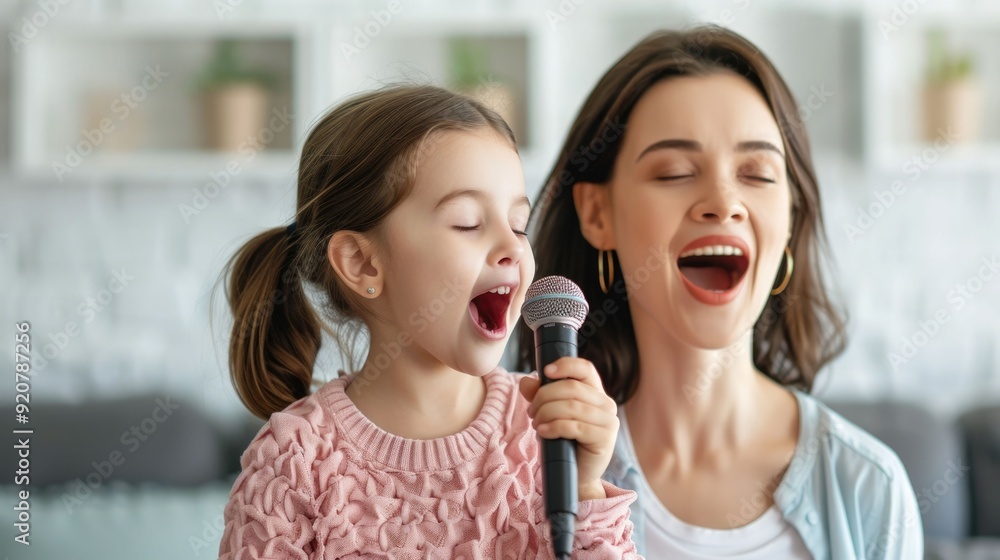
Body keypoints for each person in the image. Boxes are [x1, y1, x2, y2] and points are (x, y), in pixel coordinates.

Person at [519, 27, 922, 559]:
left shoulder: (868, 486)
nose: (723, 202)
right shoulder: (528, 470)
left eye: (757, 173)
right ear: (597, 214)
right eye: (675, 172)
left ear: (789, 220)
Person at [216, 85, 640, 558]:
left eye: (519, 225)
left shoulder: (542, 434)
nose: (513, 247)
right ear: (362, 263)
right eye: (467, 223)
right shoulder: (291, 462)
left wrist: (585, 487)